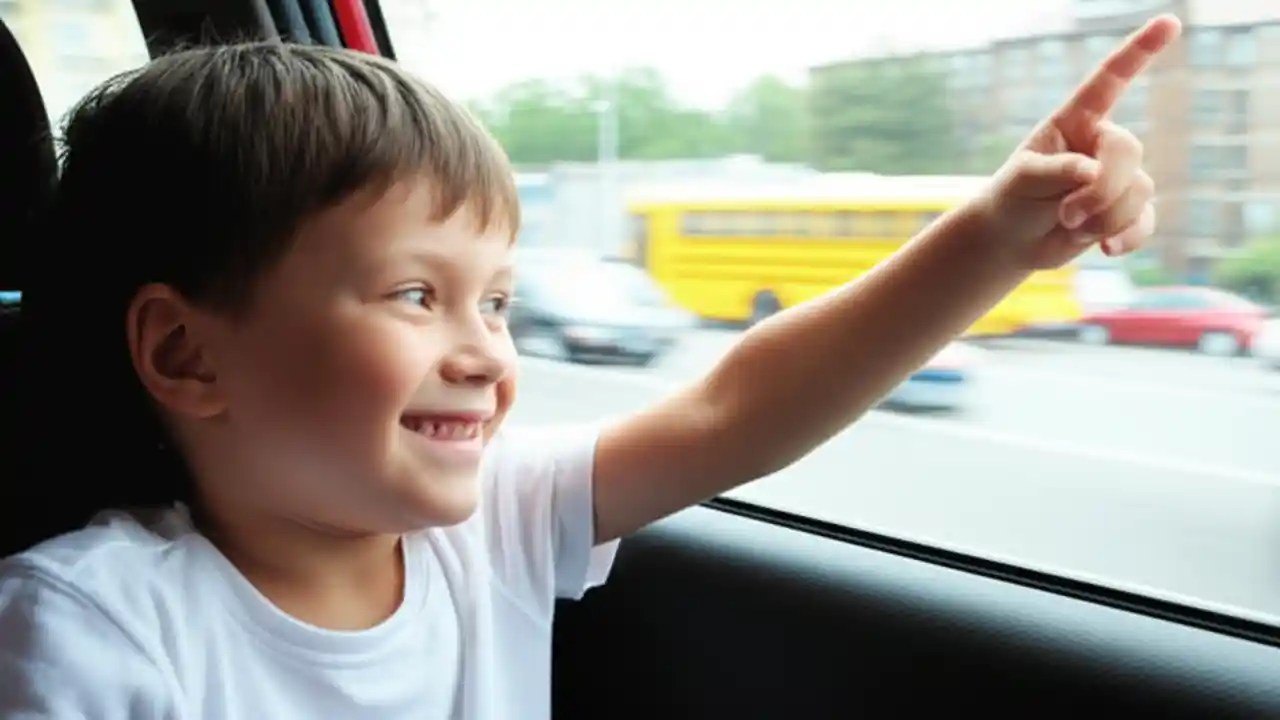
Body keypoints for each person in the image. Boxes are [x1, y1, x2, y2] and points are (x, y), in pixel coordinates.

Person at [0, 13, 1180, 719]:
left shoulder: (492, 525)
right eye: (416, 295)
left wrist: (992, 240)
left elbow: (735, 407)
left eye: (497, 301)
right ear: (185, 352)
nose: (485, 351)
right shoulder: (91, 633)